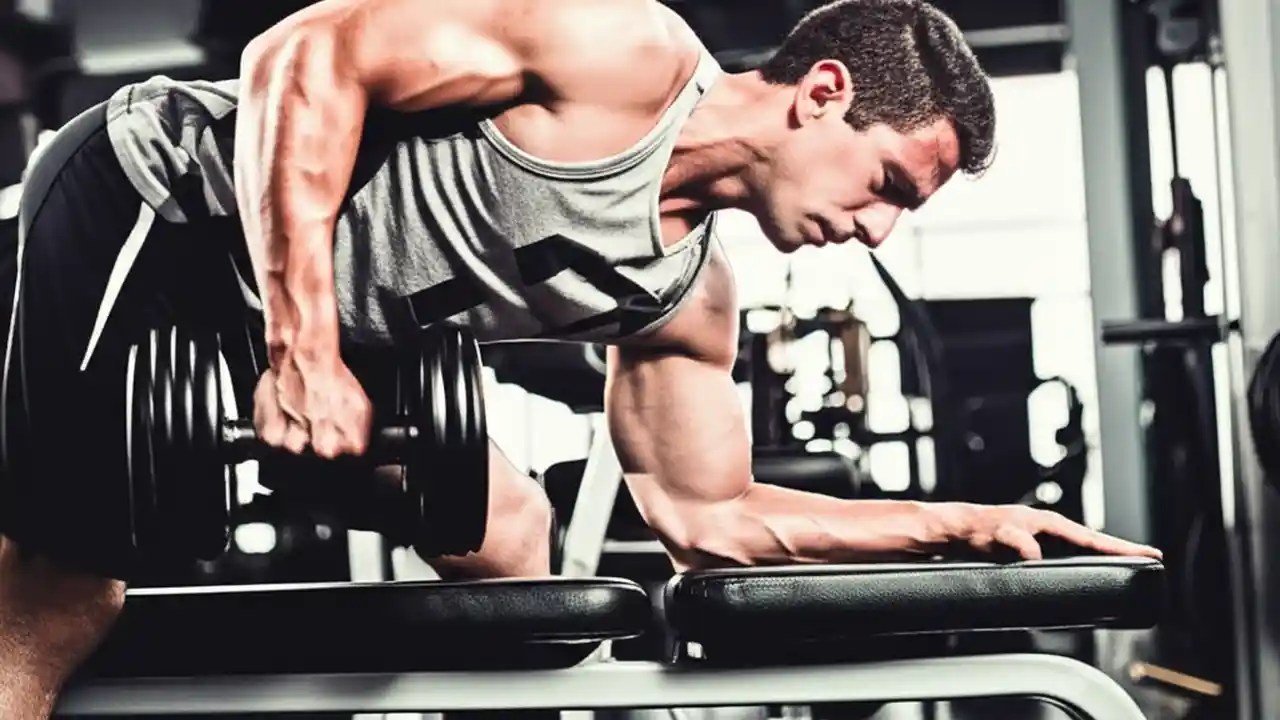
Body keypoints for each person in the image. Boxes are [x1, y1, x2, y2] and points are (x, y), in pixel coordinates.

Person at [0, 0, 1162, 715]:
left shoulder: (685, 288)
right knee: (58, 592)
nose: (876, 231)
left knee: (512, 549)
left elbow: (709, 520)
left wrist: (963, 525)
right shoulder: (618, 54)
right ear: (821, 94)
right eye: (886, 187)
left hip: (344, 329)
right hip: (162, 204)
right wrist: (301, 347)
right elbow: (301, 58)